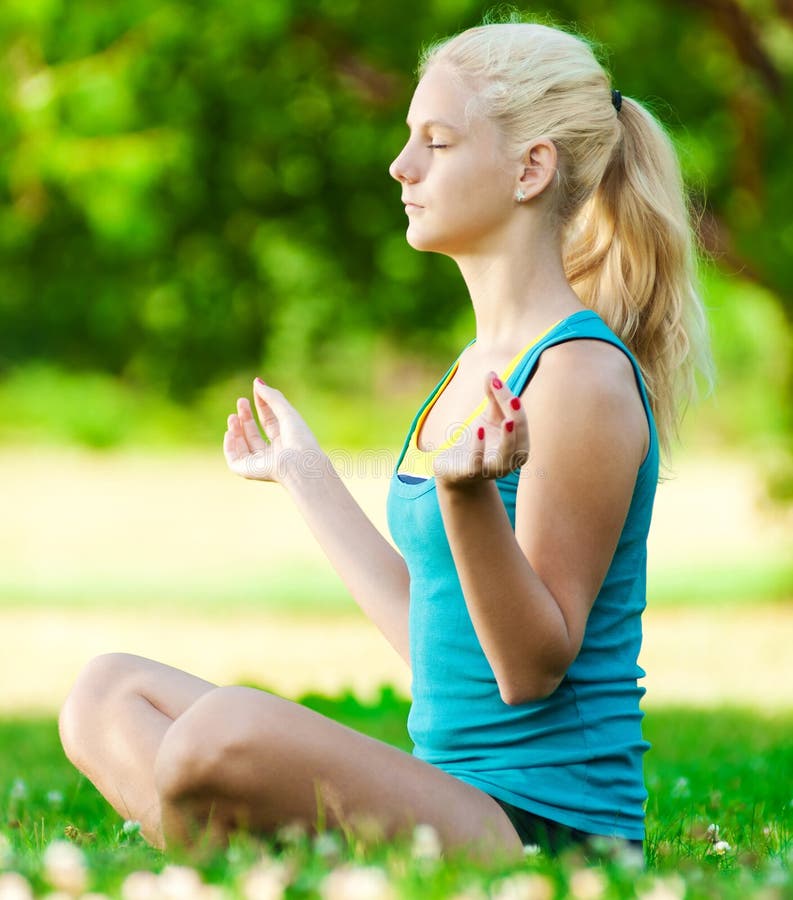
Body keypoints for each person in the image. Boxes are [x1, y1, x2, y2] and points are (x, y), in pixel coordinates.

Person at [58, 15, 711, 863]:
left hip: (542, 832)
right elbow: (437, 642)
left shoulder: (577, 374)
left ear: (529, 168)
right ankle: (250, 859)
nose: (401, 166)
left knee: (223, 732)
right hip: (443, 794)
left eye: (434, 141)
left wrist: (466, 495)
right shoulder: (471, 369)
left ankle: (250, 860)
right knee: (103, 693)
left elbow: (529, 668)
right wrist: (304, 474)